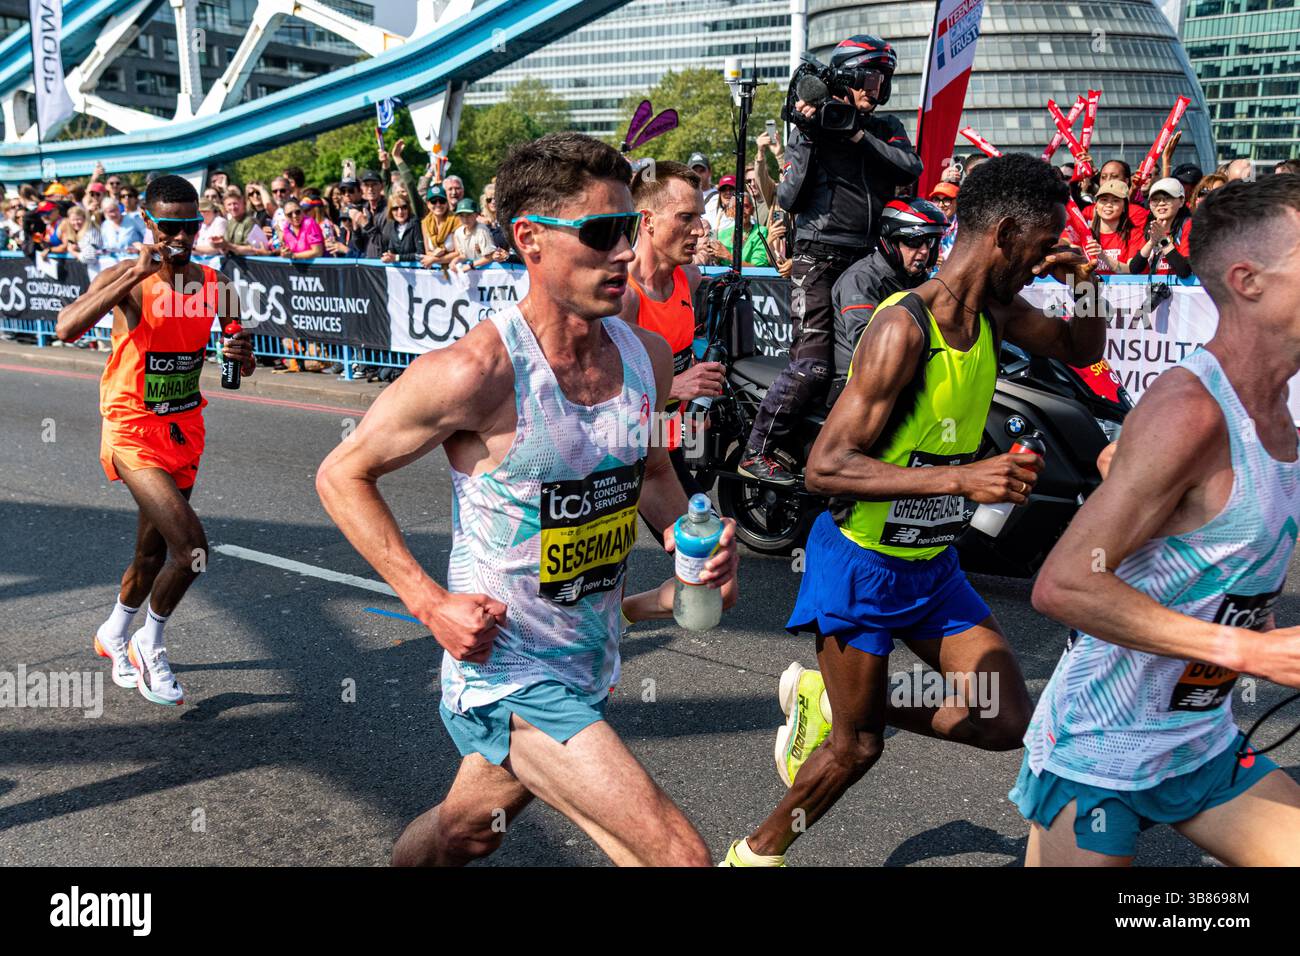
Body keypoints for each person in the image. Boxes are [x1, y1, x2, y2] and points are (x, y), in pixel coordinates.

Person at [315, 131, 739, 867]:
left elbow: (658, 474)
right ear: (530, 241)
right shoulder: (475, 372)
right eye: (602, 233)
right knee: (679, 858)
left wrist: (689, 544)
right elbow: (340, 474)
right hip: (507, 673)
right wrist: (428, 603)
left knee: (464, 832)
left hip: (590, 656)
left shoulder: (650, 358)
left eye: (630, 230)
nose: (624, 254)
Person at [721, 154, 1106, 866]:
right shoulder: (905, 328)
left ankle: (838, 700)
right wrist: (964, 481)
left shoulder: (995, 312)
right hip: (862, 566)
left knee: (1004, 720)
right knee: (857, 751)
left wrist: (1084, 284)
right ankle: (753, 854)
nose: (1042, 261)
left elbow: (1083, 348)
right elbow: (826, 467)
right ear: (1006, 232)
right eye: (1042, 244)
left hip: (931, 568)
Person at [1016, 175, 1300, 866]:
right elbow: (1065, 587)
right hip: (1101, 752)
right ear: (1250, 281)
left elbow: (1199, 537)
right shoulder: (1192, 411)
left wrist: (1246, 618)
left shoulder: (1276, 413)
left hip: (1196, 741)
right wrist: (1247, 652)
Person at [52, 174, 255, 706]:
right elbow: (66, 327)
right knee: (192, 551)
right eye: (170, 227)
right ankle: (151, 643)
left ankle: (114, 633)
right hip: (130, 429)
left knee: (150, 554)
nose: (182, 238)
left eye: (191, 226)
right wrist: (132, 276)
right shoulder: (128, 276)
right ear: (148, 224)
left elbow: (240, 361)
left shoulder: (218, 286)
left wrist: (242, 358)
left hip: (183, 430)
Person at [739, 34, 923, 485]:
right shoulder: (814, 127)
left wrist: (858, 136)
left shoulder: (884, 127)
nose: (876, 91)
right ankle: (755, 450)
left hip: (872, 260)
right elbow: (788, 197)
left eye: (884, 83)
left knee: (872, 364)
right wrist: (809, 138)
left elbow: (911, 167)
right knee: (814, 362)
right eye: (871, 80)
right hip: (818, 258)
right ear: (849, 76)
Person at [620, 159, 724, 545]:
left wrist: (693, 401)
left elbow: (679, 356)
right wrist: (677, 387)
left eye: (699, 216)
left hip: (662, 442)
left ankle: (630, 606)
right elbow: (602, 404)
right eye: (686, 217)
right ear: (647, 221)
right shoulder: (624, 295)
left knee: (712, 561)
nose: (699, 229)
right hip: (620, 454)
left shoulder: (689, 278)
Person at [831, 197, 945, 384]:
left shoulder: (916, 279)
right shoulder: (861, 279)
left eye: (930, 242)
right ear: (891, 241)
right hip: (853, 384)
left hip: (899, 378)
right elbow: (868, 344)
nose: (924, 251)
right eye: (916, 241)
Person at [1129, 177, 1193, 279]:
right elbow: (1134, 268)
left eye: (1167, 198)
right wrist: (1151, 242)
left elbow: (1184, 271)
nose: (1161, 203)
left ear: (1181, 201)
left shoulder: (1188, 225)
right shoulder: (1150, 227)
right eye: (1155, 199)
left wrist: (1163, 240)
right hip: (1155, 291)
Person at [1085, 180, 1143, 274]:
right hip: (1089, 287)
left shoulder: (1134, 234)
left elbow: (1130, 271)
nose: (1108, 205)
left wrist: (1103, 256)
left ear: (1124, 207)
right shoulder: (1086, 235)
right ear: (1096, 205)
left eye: (1115, 201)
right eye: (1104, 200)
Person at [216, 186, 270, 256]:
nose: (233, 207)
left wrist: (228, 246)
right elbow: (226, 248)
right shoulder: (230, 222)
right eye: (229, 204)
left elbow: (254, 249)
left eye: (235, 203)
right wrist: (220, 245)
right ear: (225, 207)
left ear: (243, 204)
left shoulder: (250, 221)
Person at [445, 198, 493, 272]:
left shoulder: (482, 230)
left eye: (469, 215)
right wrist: (455, 260)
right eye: (461, 215)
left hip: (488, 272)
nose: (465, 219)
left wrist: (470, 265)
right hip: (472, 272)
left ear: (476, 215)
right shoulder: (458, 232)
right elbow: (464, 255)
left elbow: (490, 257)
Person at [379, 190, 425, 264]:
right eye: (395, 208)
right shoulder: (392, 226)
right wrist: (388, 255)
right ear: (390, 211)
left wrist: (397, 257)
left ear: (409, 208)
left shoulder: (416, 224)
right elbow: (391, 249)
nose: (400, 212)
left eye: (404, 207)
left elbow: (421, 254)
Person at [419, 184, 457, 269]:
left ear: (447, 203)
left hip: (455, 269)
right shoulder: (425, 223)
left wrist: (434, 260)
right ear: (428, 204)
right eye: (433, 201)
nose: (438, 204)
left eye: (442, 200)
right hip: (435, 272)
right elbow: (428, 251)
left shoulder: (456, 220)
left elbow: (459, 253)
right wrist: (434, 254)